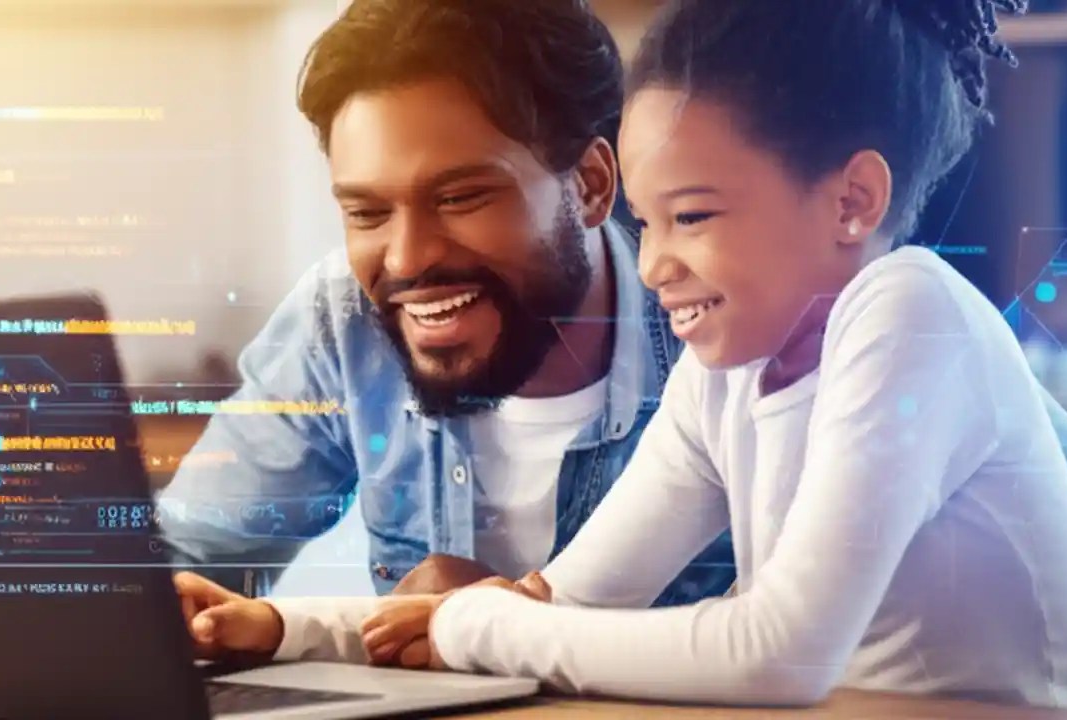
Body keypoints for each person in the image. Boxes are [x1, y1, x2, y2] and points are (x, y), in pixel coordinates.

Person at [180, 0, 1067, 710]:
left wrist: (480, 623)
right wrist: (277, 626)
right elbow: (551, 604)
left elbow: (781, 652)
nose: (654, 263)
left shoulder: (912, 309)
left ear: (853, 201)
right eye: (651, 221)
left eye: (693, 216)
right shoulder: (723, 374)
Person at [155, 0, 735, 607]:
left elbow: (806, 645)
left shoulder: (721, 331)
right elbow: (188, 561)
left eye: (461, 198)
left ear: (590, 184)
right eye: (366, 213)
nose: (406, 260)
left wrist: (499, 629)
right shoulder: (342, 322)